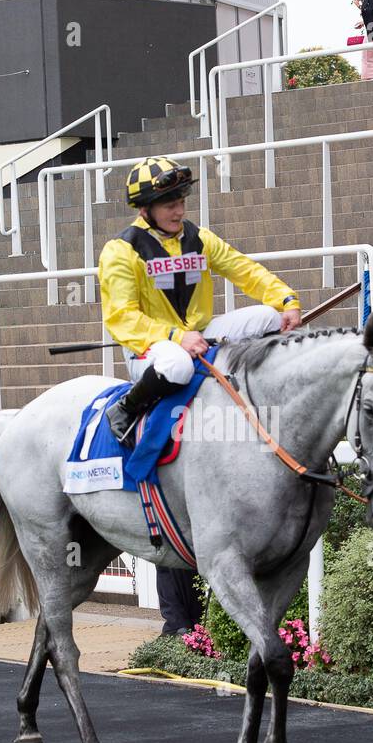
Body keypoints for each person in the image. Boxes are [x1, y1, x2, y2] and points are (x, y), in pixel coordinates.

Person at [99, 156, 303, 636]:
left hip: (200, 334)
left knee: (267, 319)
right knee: (176, 364)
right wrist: (173, 335)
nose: (178, 209)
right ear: (145, 209)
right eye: (168, 202)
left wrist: (286, 300)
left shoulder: (199, 237)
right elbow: (122, 316)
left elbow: (244, 270)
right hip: (151, 348)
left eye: (181, 200)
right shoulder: (121, 251)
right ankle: (127, 410)